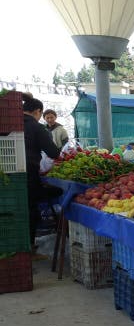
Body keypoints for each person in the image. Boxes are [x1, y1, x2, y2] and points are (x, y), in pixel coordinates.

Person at [22, 97, 62, 254]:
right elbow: (53, 152)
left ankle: (23, 248)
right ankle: (29, 250)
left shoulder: (12, 123)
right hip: (29, 174)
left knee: (19, 210)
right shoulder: (36, 127)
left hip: (9, 175)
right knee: (31, 208)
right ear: (38, 111)